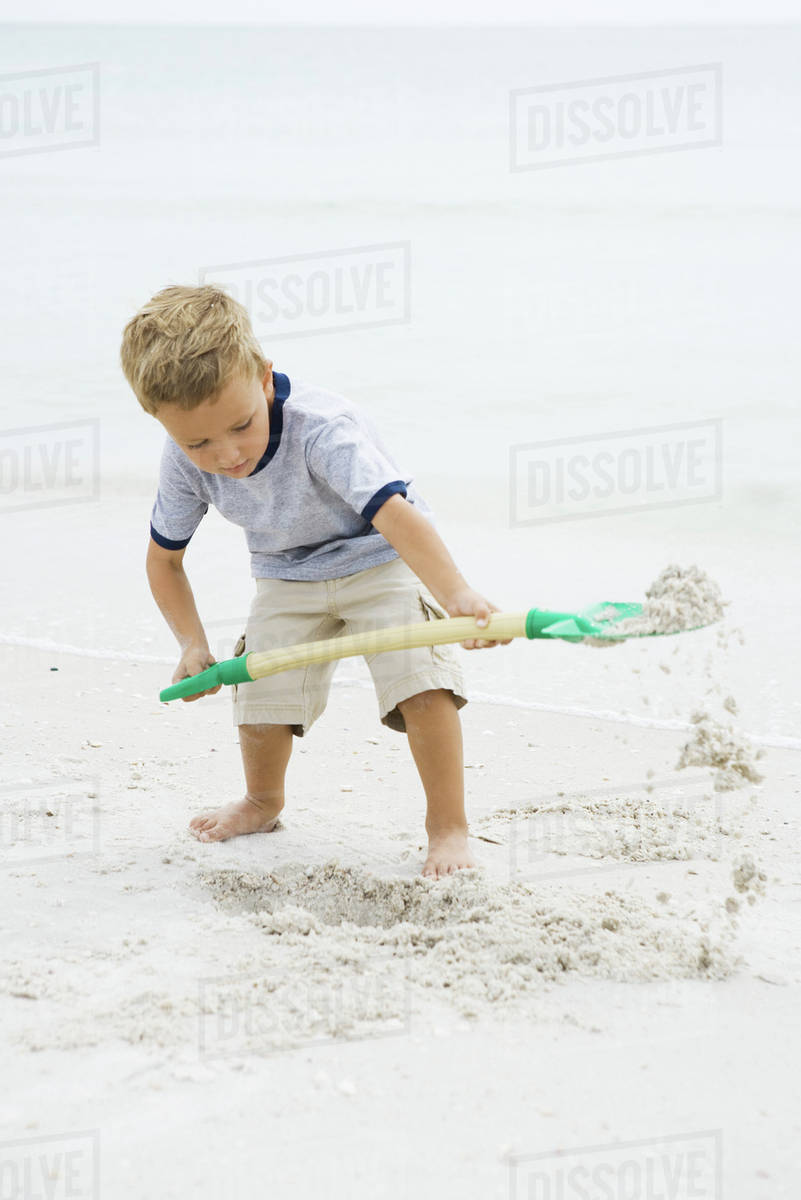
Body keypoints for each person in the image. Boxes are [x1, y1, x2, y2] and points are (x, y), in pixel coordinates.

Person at [120, 285, 510, 878]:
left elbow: (397, 516)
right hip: (286, 573)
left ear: (264, 376)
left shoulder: (323, 429)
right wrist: (193, 646)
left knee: (421, 681)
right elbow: (164, 561)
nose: (225, 455)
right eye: (198, 441)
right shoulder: (181, 462)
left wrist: (455, 593)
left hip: (378, 554)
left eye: (240, 427)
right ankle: (262, 801)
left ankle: (448, 827)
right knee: (259, 693)